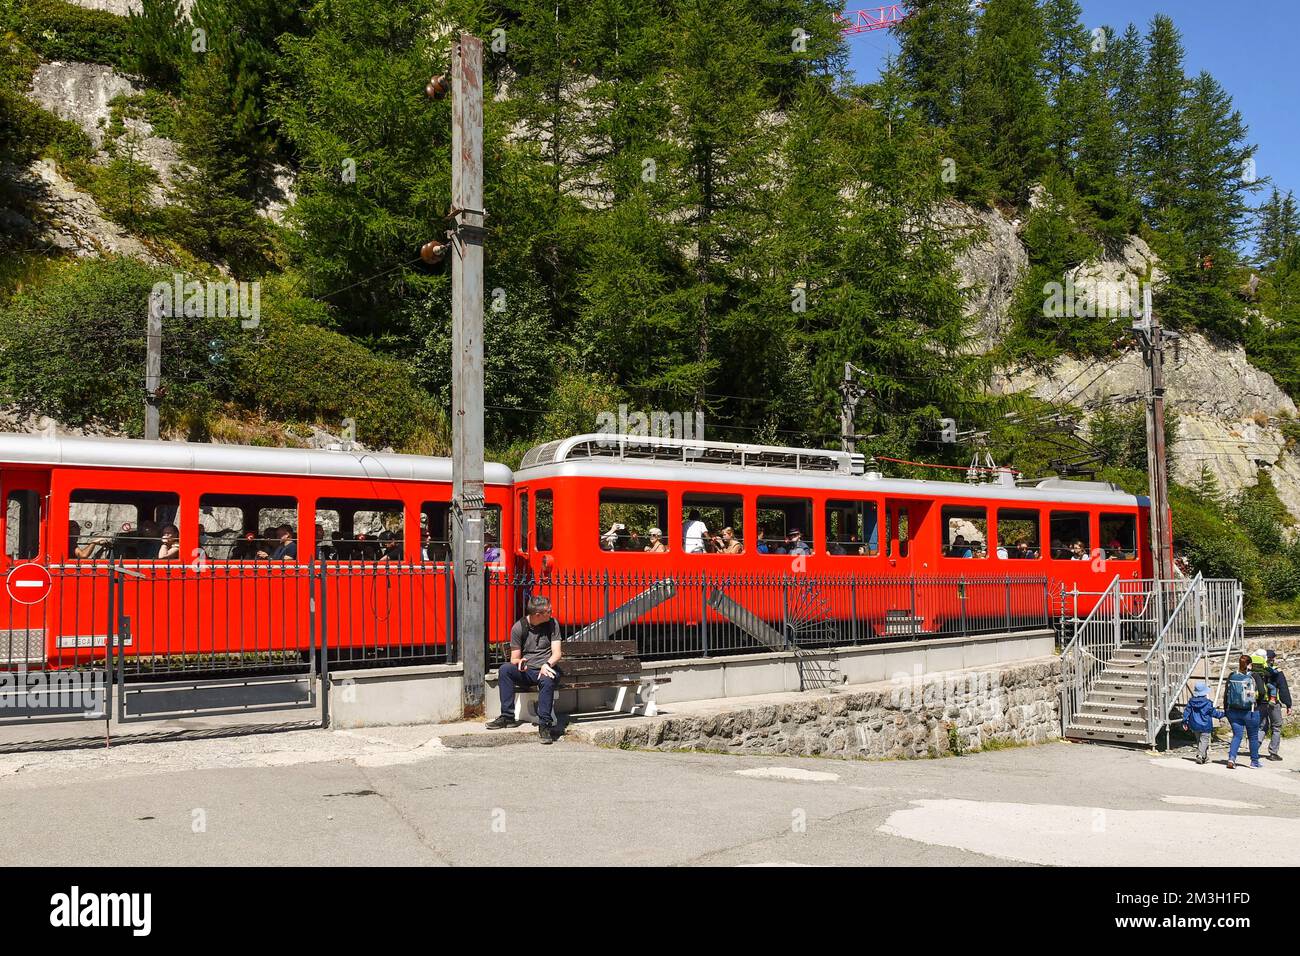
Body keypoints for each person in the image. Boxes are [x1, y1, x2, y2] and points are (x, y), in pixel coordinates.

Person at [486, 595, 563, 743]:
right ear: (538, 615)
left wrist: (547, 665)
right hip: (527, 672)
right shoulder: (519, 627)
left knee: (547, 679)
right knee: (505, 669)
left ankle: (544, 725)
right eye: (549, 610)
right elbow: (514, 658)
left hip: (547, 668)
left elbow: (557, 653)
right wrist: (519, 662)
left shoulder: (553, 624)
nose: (552, 612)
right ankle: (507, 717)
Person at [1224, 653, 1266, 769]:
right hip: (1251, 711)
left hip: (1233, 710)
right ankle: (1254, 762)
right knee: (1252, 737)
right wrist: (1258, 702)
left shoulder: (1232, 675)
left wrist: (1226, 709)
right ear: (1250, 664)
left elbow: (1226, 694)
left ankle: (1231, 759)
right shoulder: (1255, 676)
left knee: (1237, 736)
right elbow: (1262, 692)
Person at [1260, 649, 1292, 762]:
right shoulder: (1277, 671)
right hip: (1273, 703)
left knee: (1262, 726)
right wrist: (1288, 704)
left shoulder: (1258, 670)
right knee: (1276, 726)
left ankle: (1255, 749)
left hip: (1260, 702)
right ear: (1272, 659)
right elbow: (1283, 689)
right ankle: (1273, 753)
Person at [1182, 681, 1224, 765]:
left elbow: (1187, 712)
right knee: (1204, 740)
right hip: (1205, 724)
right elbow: (1214, 713)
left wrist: (1185, 722)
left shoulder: (1191, 702)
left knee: (1199, 741)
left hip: (1194, 724)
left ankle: (1204, 756)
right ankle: (1200, 755)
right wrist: (1223, 714)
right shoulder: (1208, 703)